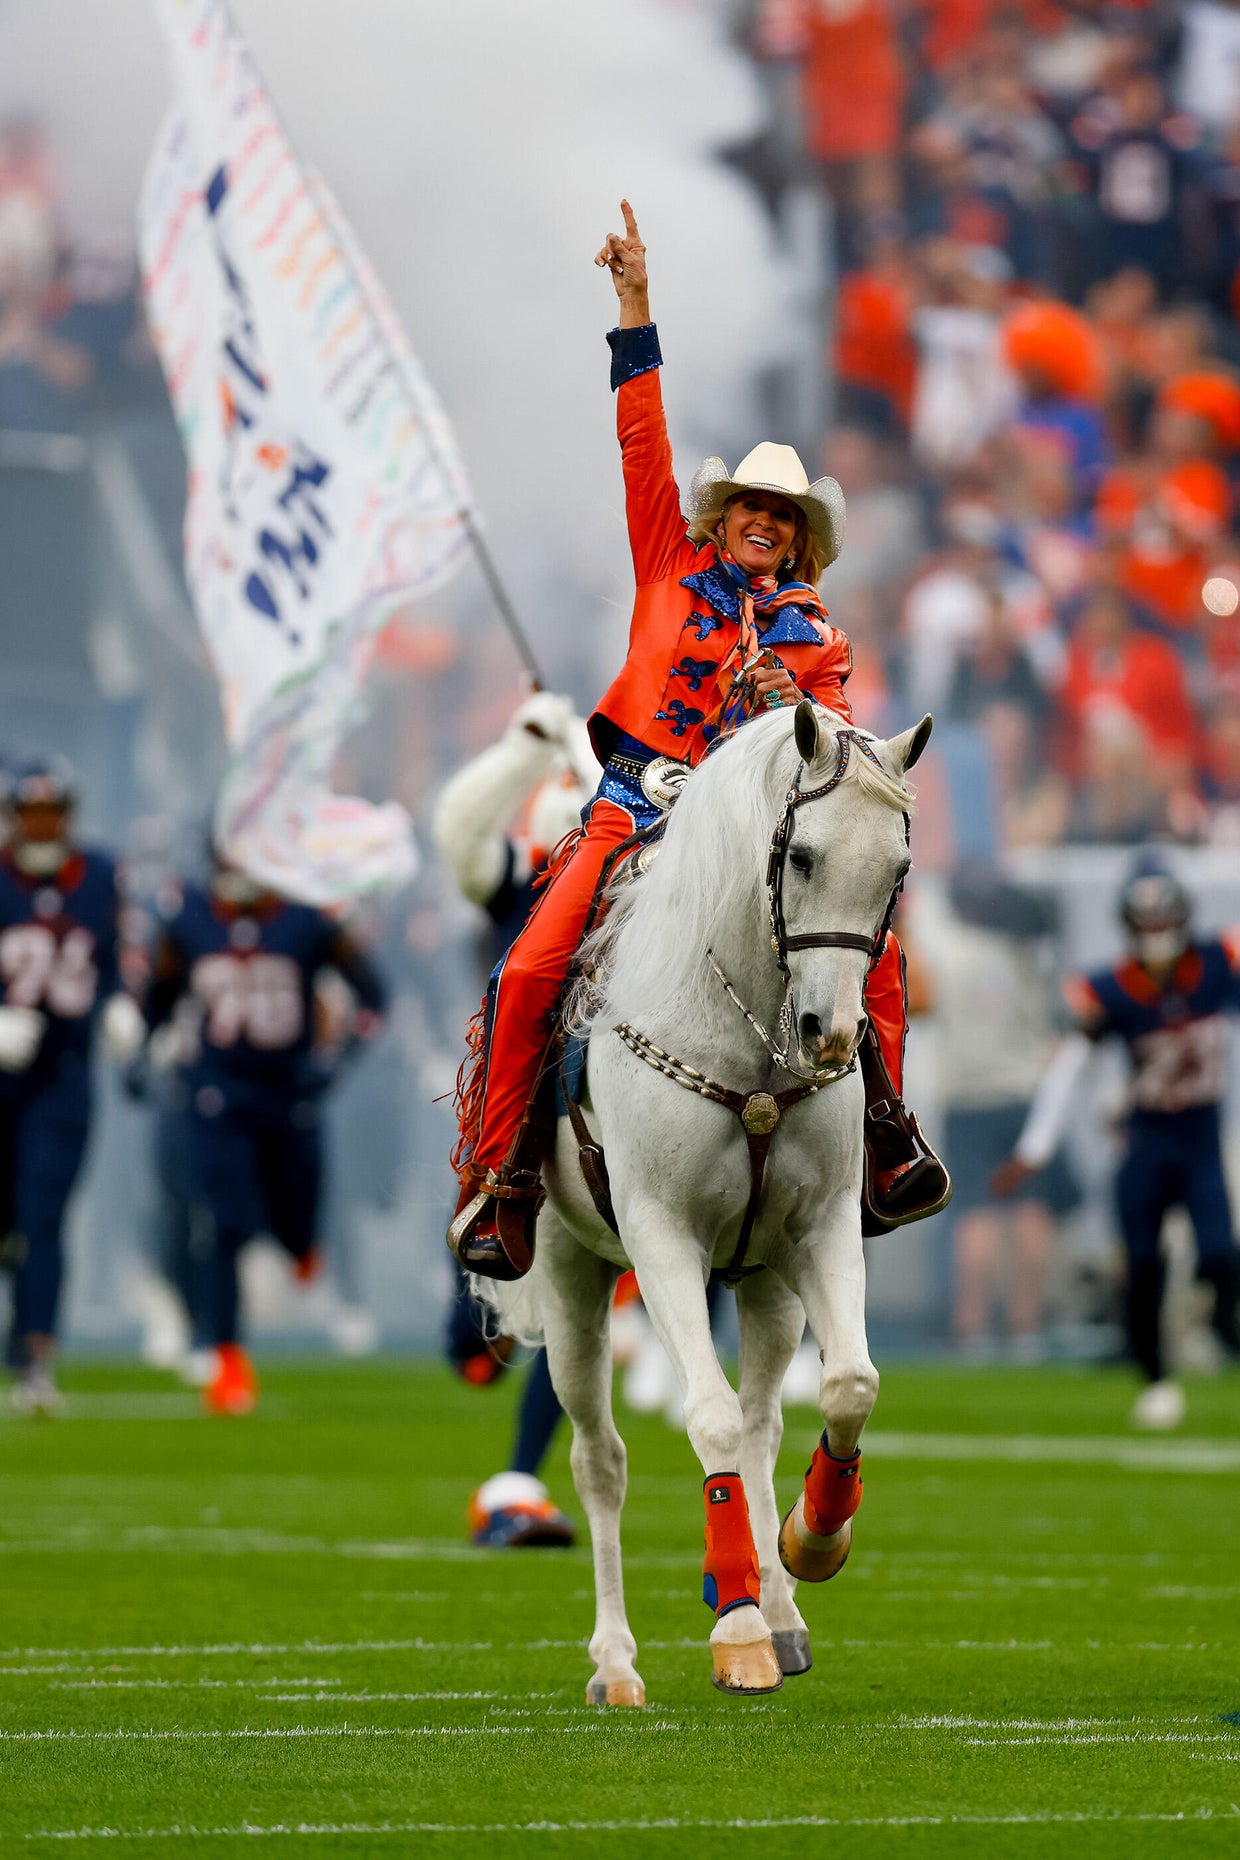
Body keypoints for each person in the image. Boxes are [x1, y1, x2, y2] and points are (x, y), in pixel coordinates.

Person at [449, 201, 949, 1282]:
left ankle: (885, 1138)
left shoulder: (820, 640)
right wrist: (634, 306)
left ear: (798, 537)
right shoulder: (667, 567)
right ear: (719, 522)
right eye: (748, 508)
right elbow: (642, 436)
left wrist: (782, 700)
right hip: (633, 805)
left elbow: (829, 763)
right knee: (528, 967)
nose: (762, 522)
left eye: (781, 513)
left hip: (751, 837)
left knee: (880, 960)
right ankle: (502, 1184)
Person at [432, 689, 596, 1546]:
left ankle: (518, 1479)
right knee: (472, 1351)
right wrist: (523, 753)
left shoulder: (634, 871)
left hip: (605, 1111)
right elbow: (459, 837)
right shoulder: (521, 882)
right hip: (511, 1112)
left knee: (585, 1309)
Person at [139, 849, 387, 1415]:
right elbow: (159, 996)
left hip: (290, 1095)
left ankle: (302, 1247)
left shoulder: (306, 917)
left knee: (297, 1226)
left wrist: (339, 1055)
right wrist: (142, 1050)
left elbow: (373, 993)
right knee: (224, 1224)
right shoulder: (188, 918)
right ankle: (226, 1357)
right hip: (216, 1095)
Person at [993, 861, 1240, 1428]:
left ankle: (1218, 1333)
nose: (1157, 932)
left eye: (1165, 919)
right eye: (1145, 922)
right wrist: (1035, 1148)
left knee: (1221, 1255)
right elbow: (1070, 1069)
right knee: (1144, 1265)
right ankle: (1155, 1380)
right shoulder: (1111, 990)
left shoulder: (1216, 965)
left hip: (1201, 1142)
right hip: (1148, 1146)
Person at [0, 758, 140, 1413]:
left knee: (44, 1215)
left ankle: (36, 1357)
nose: (42, 824)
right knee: (10, 1223)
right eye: (31, 812)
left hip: (61, 1076)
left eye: (51, 811)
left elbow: (114, 960)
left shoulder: (101, 877)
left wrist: (118, 1003)